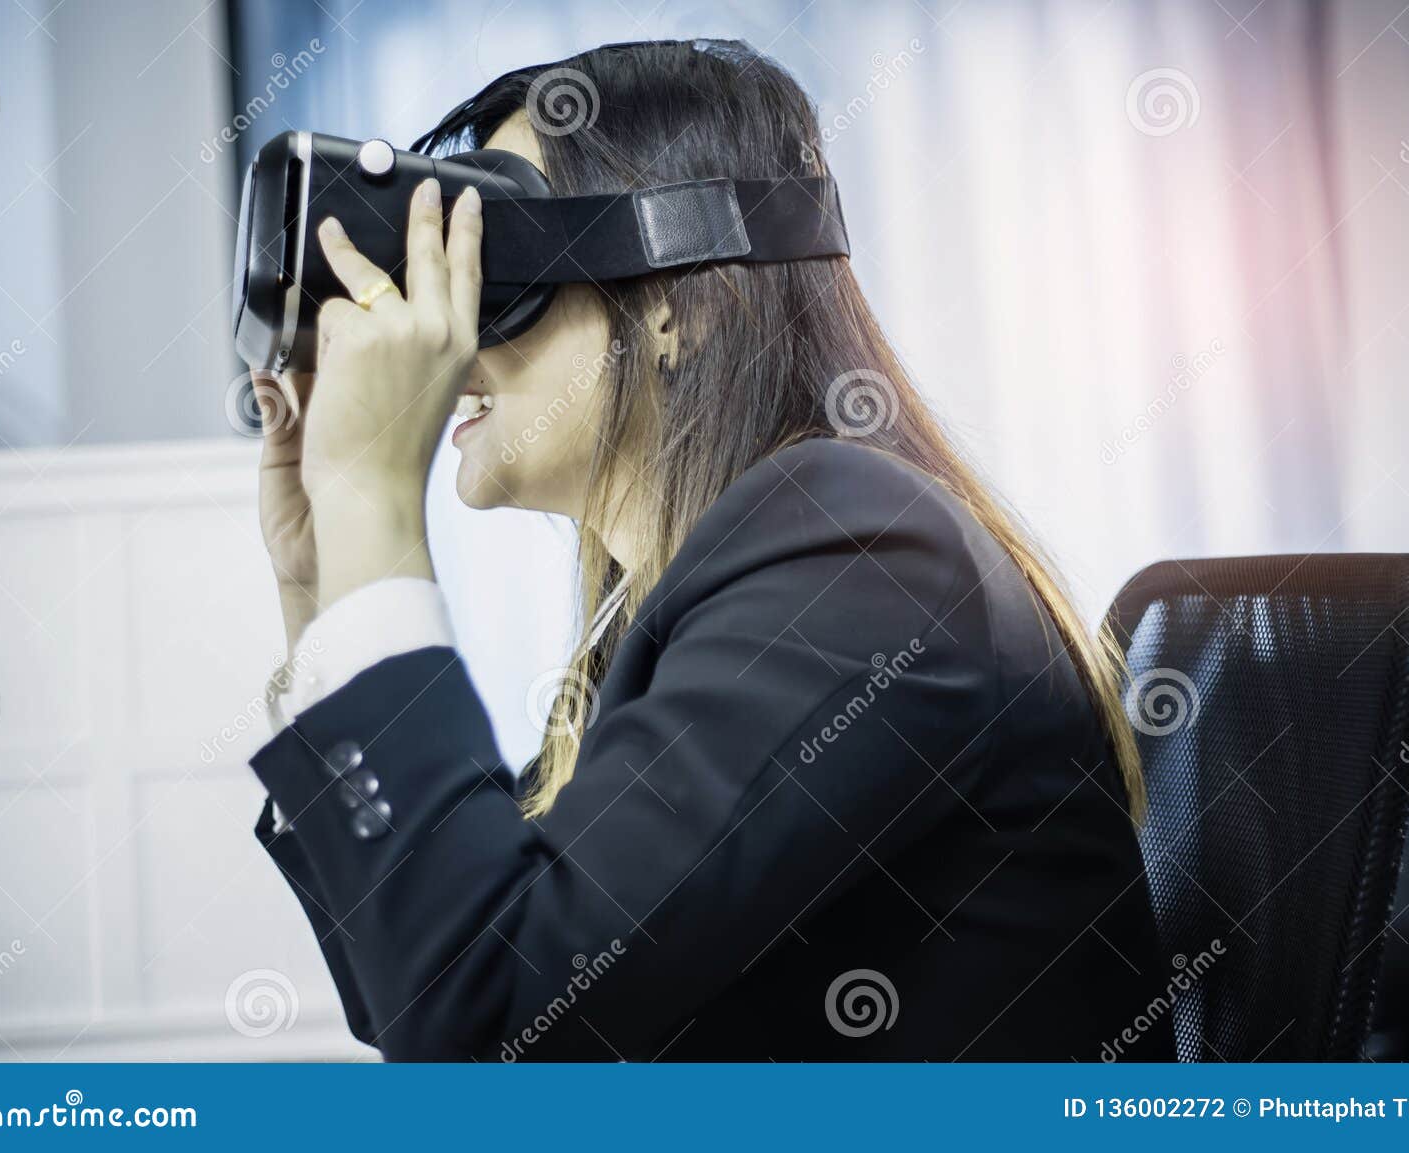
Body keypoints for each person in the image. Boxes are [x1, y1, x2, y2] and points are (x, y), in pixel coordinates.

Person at [246, 38, 1173, 1061]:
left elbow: (494, 1020)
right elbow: (415, 981)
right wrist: (321, 577)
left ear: (680, 309)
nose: (453, 338)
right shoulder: (686, 612)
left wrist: (377, 495)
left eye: (500, 271)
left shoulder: (858, 551)